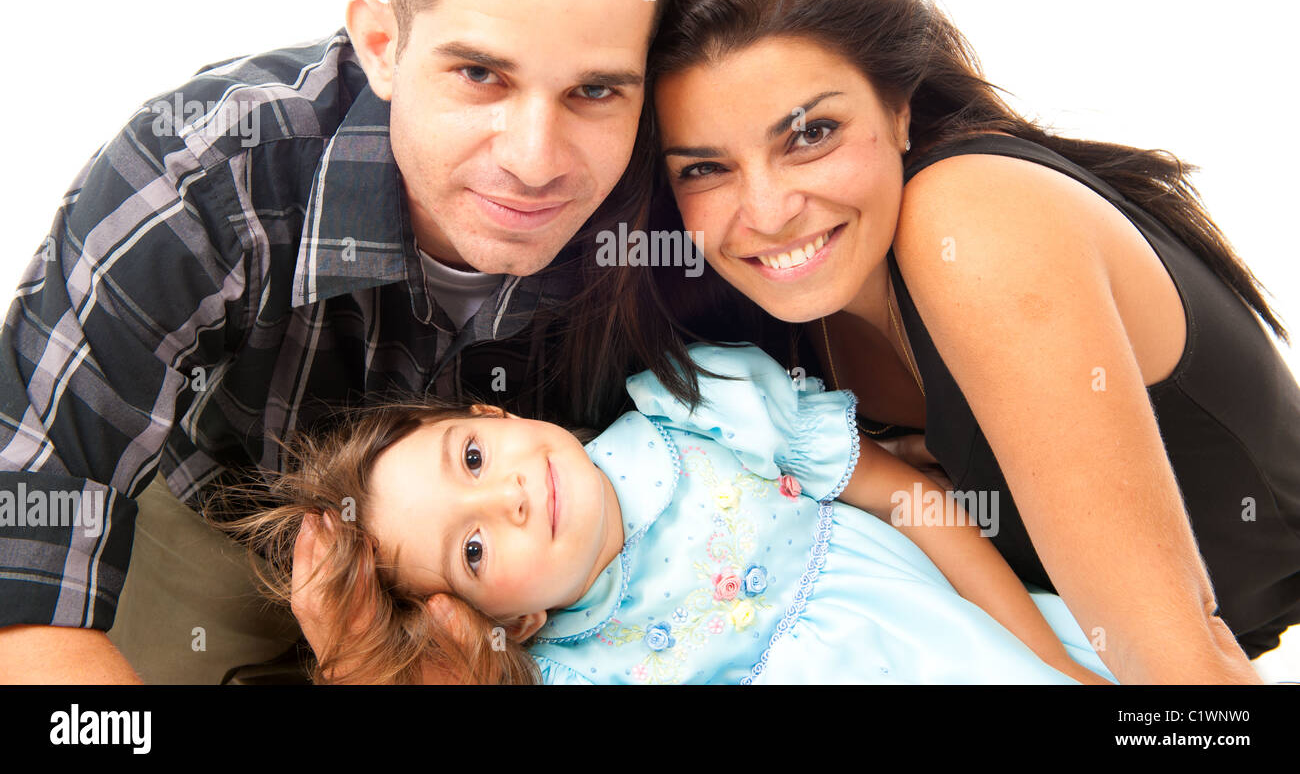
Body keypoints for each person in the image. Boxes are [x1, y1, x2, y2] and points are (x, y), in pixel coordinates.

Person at [0, 0, 675, 683]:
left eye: (593, 90)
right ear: (383, 46)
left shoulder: (684, 196)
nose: (533, 159)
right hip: (225, 519)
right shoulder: (206, 178)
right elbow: (26, 534)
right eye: (480, 75)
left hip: (539, 580)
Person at [636, 0, 1300, 685]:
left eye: (811, 134)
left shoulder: (973, 225)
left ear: (899, 108)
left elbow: (1186, 678)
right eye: (704, 169)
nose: (768, 211)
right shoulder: (772, 319)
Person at [227, 342, 1116, 684]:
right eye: (472, 547)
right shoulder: (568, 669)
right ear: (506, 617)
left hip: (990, 653)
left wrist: (1039, 658)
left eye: (471, 458)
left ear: (493, 415)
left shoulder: (694, 408)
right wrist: (350, 662)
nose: (509, 497)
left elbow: (910, 500)